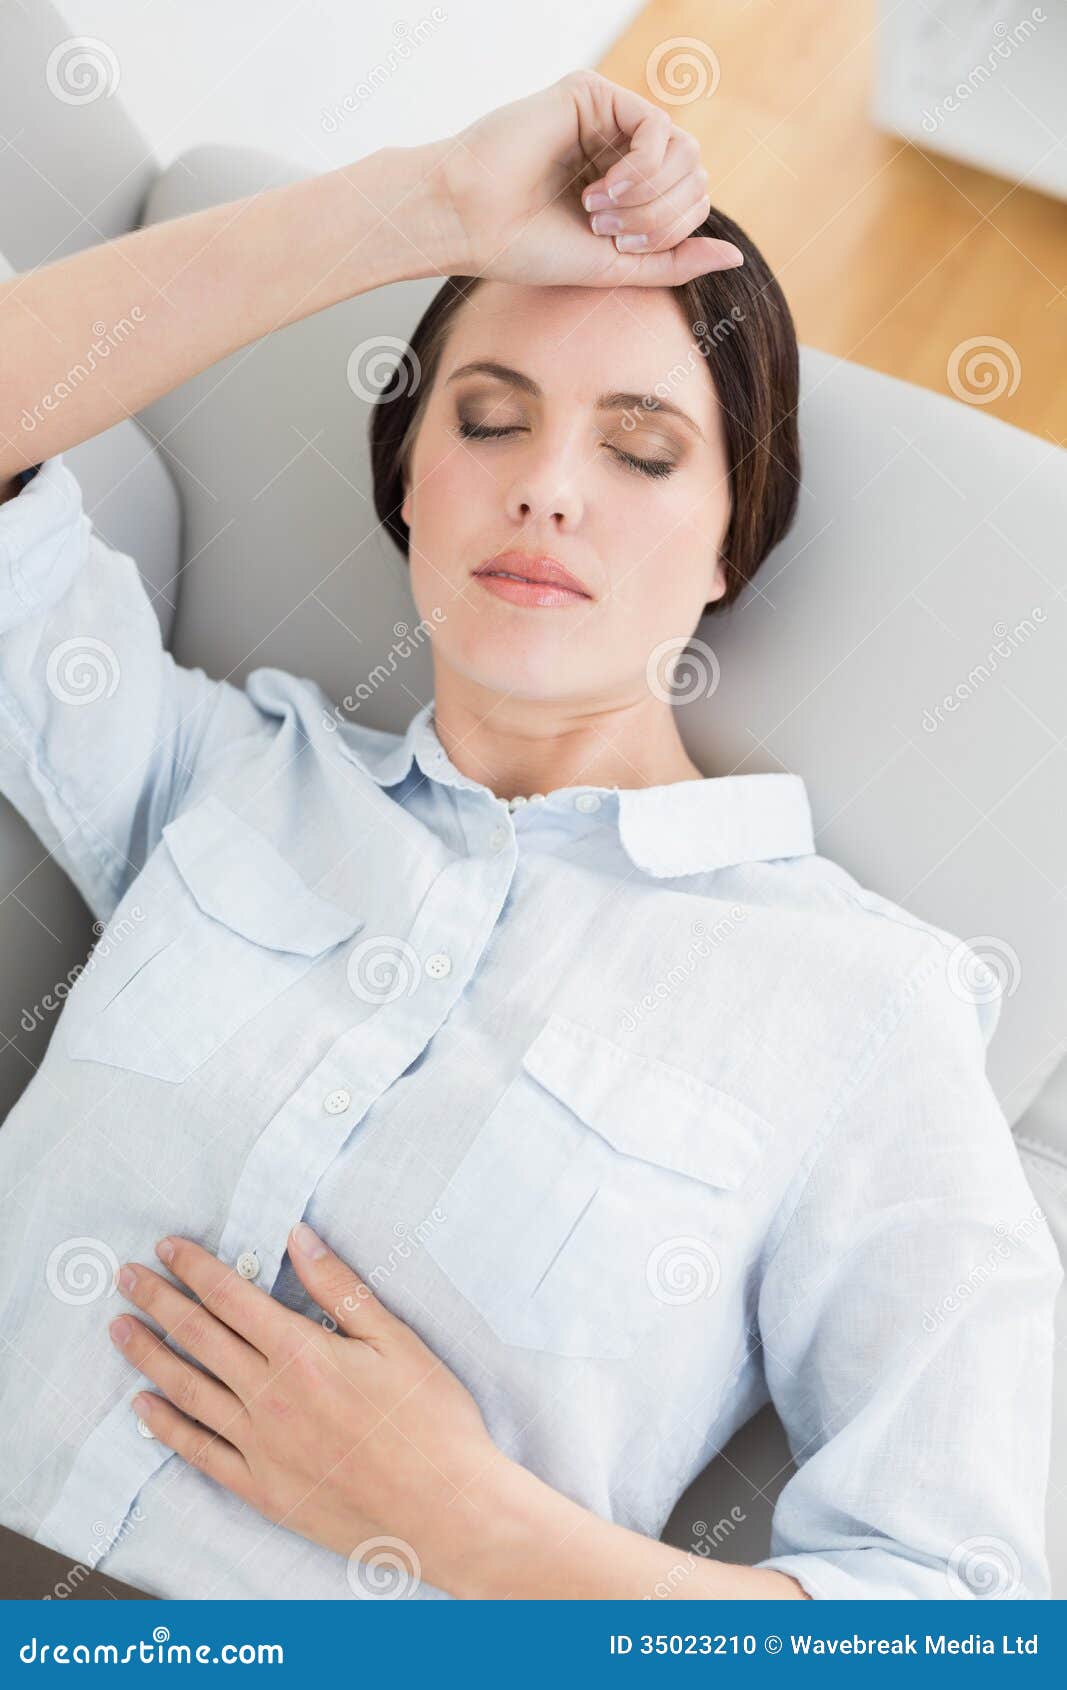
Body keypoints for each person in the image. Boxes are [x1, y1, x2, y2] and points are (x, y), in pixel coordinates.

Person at [0, 70, 1060, 1603]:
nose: (549, 489)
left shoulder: (857, 1007)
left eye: (640, 452)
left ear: (727, 543)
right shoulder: (220, 773)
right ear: (409, 482)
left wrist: (458, 1521)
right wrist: (420, 204)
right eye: (489, 421)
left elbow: (954, 1633)